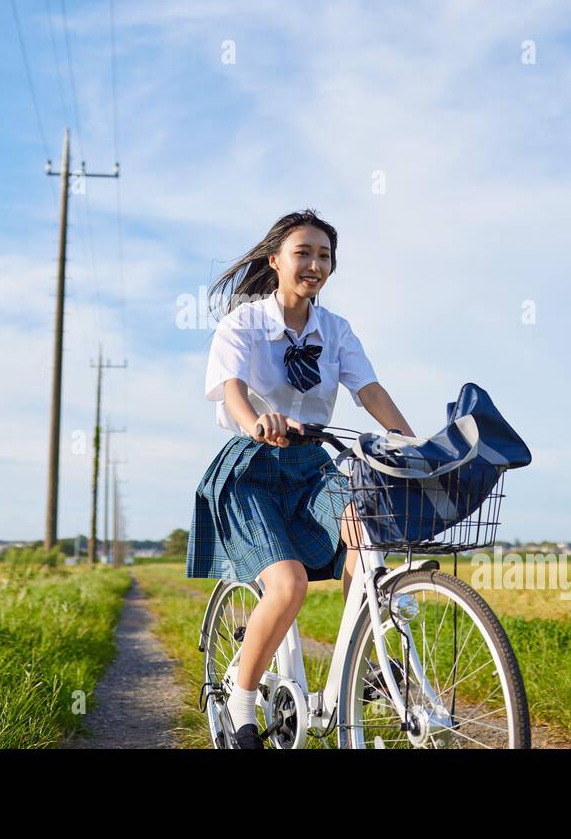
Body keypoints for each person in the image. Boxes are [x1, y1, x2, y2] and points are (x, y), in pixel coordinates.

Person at [185, 208, 414, 749]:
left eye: (324, 255)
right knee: (286, 585)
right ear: (276, 261)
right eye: (303, 252)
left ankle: (368, 657)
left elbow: (369, 392)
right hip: (251, 468)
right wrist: (256, 422)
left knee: (371, 529)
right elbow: (233, 387)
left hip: (314, 466)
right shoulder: (242, 323)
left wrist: (408, 440)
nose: (314, 263)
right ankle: (241, 700)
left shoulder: (335, 329)